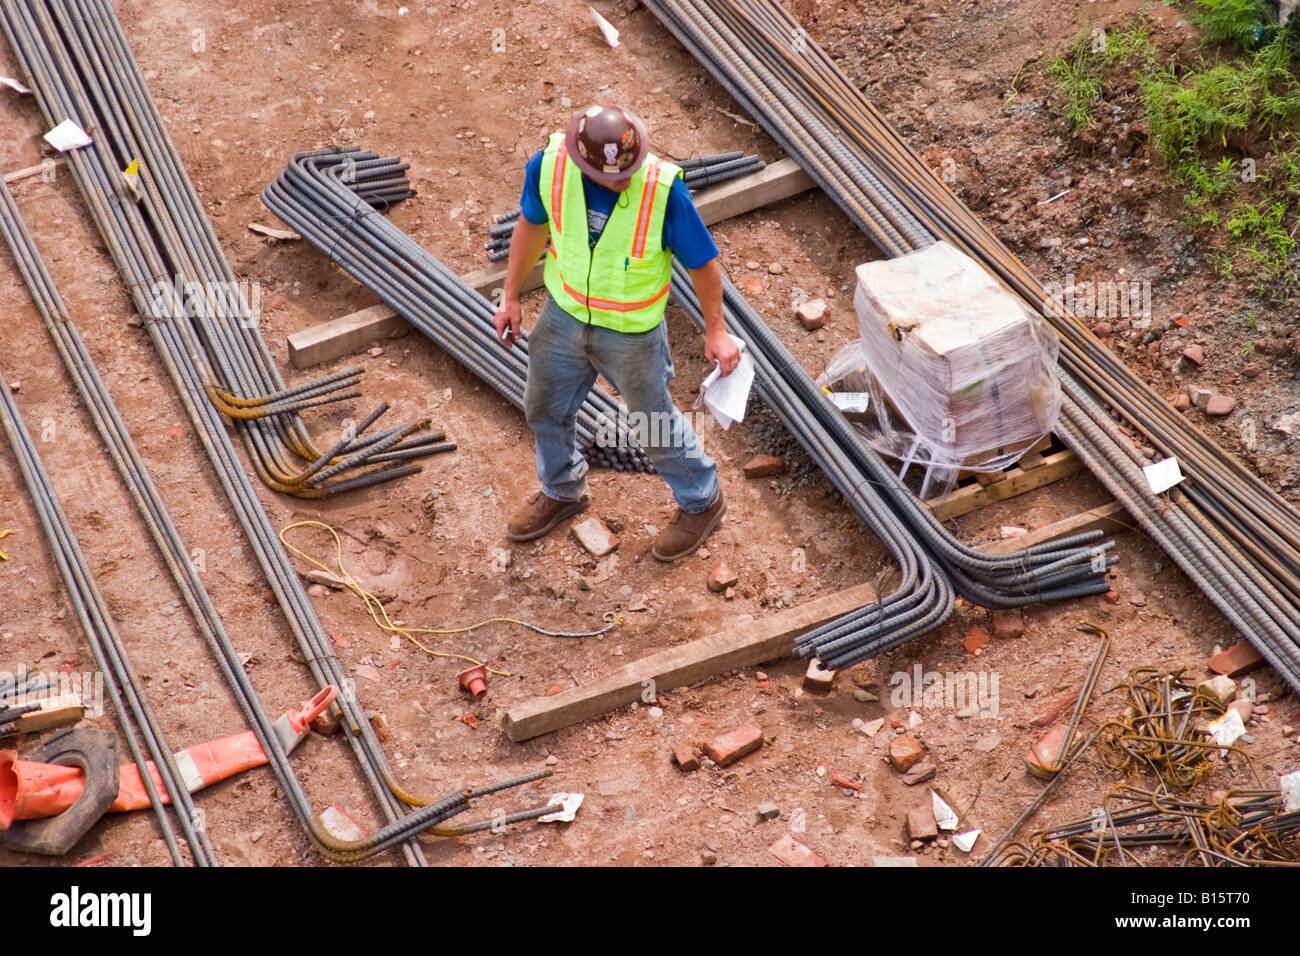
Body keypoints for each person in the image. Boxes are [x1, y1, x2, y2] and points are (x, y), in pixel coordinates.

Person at [492, 104, 740, 562]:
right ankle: (563, 489)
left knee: (651, 425)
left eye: (631, 167)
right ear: (584, 164)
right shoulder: (549, 168)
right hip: (564, 315)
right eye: (614, 176)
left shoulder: (663, 192)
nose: (627, 179)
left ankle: (703, 502)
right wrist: (509, 295)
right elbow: (531, 225)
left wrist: (717, 331)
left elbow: (703, 264)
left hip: (631, 333)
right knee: (543, 408)